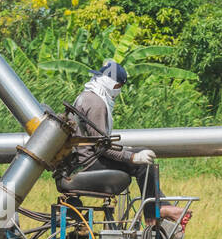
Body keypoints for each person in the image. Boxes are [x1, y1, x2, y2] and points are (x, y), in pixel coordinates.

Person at [70, 60, 188, 226]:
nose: (118, 91)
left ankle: (161, 206)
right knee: (142, 164)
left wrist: (129, 152)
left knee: (142, 154)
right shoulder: (96, 104)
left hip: (84, 159)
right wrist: (132, 157)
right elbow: (102, 147)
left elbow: (99, 143)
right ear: (113, 85)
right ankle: (154, 212)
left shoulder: (87, 97)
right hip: (89, 162)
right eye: (118, 87)